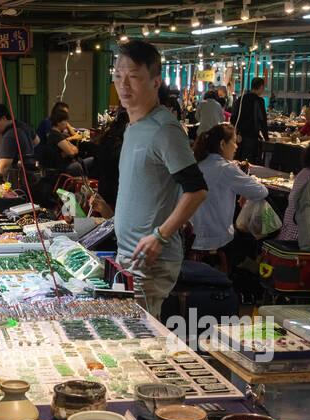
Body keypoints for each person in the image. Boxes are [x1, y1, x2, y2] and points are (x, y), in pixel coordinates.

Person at [108, 40, 208, 319]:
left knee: (139, 338)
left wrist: (160, 235)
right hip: (127, 255)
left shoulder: (164, 129)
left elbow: (197, 190)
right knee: (128, 334)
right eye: (118, 77)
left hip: (150, 261)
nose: (123, 86)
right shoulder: (134, 126)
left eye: (134, 77)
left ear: (156, 81)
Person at [191, 122, 269, 265]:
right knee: (253, 240)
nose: (236, 147)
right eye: (233, 142)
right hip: (215, 239)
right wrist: (244, 188)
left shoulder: (198, 164)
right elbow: (261, 192)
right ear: (222, 144)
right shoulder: (226, 168)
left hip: (192, 237)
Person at [0, 102, 38, 179]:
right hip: (31, 175)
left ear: (3, 118)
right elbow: (37, 141)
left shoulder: (9, 136)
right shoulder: (22, 125)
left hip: (17, 180)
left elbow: (4, 167)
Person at [91, 106, 129, 211]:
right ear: (126, 126)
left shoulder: (105, 139)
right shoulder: (121, 148)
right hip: (115, 197)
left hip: (103, 191)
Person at [43, 109, 94, 177]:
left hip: (64, 166)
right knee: (93, 159)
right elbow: (71, 152)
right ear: (58, 122)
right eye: (65, 121)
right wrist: (71, 150)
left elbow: (75, 149)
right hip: (63, 169)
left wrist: (68, 151)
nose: (67, 124)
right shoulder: (56, 135)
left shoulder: (57, 134)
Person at [233, 77, 268, 163]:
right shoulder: (259, 100)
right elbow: (262, 120)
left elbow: (234, 117)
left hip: (239, 137)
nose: (263, 90)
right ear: (261, 87)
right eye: (263, 87)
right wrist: (266, 137)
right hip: (251, 137)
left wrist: (236, 133)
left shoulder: (241, 99)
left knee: (238, 160)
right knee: (249, 162)